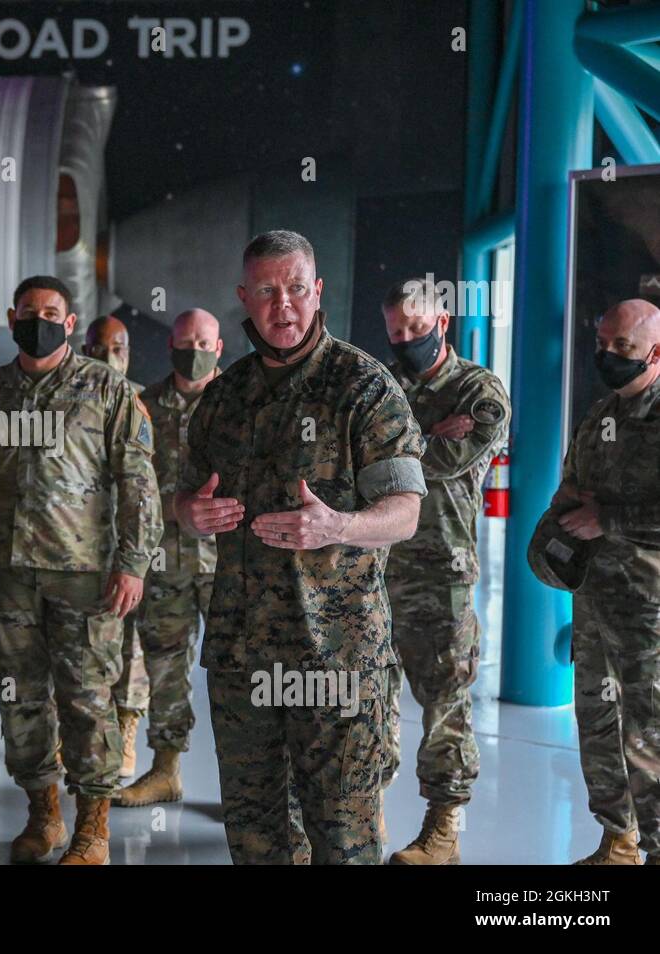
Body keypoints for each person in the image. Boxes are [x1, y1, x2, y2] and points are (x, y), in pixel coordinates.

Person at [175, 230, 425, 865]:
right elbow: (181, 501)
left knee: (344, 840)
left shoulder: (364, 387)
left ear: (317, 292)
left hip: (335, 659)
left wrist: (337, 526)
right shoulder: (222, 398)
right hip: (243, 657)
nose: (281, 305)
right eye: (266, 290)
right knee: (257, 840)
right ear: (244, 297)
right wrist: (192, 513)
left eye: (294, 289)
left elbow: (405, 513)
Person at [0, 275, 162, 865]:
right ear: (12, 317)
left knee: (88, 699)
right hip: (9, 574)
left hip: (84, 575)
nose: (39, 320)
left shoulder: (107, 391)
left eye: (52, 312)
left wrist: (134, 563)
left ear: (70, 323)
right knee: (19, 697)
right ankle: (43, 812)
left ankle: (93, 828)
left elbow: (139, 485)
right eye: (29, 311)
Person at [380, 278, 510, 864]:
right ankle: (361, 806)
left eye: (416, 329)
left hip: (442, 571)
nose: (408, 341)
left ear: (442, 325)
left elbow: (453, 458)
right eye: (397, 333)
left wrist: (399, 446)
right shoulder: (381, 384)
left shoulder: (480, 390)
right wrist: (424, 438)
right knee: (366, 696)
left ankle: (444, 829)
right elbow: (354, 456)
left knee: (444, 701)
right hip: (377, 565)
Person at [533, 298, 660, 865]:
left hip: (650, 612)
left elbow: (596, 508)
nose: (607, 356)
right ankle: (619, 839)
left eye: (622, 348)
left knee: (650, 736)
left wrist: (606, 517)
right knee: (598, 724)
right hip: (595, 604)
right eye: (602, 344)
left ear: (655, 352)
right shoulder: (598, 415)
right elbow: (569, 489)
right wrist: (560, 529)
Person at [112, 309, 221, 807]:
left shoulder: (241, 402)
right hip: (164, 563)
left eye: (203, 342)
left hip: (228, 564)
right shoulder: (144, 405)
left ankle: (248, 786)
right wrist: (177, 506)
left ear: (218, 348)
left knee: (238, 672)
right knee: (164, 667)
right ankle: (165, 770)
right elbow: (128, 483)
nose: (193, 351)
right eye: (184, 342)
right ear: (170, 346)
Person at [85, 313, 148, 777]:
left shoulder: (144, 405)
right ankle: (79, 735)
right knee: (79, 650)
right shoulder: (68, 402)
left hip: (133, 549)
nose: (107, 358)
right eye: (98, 348)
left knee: (133, 646)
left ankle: (126, 730)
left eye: (118, 349)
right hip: (80, 551)